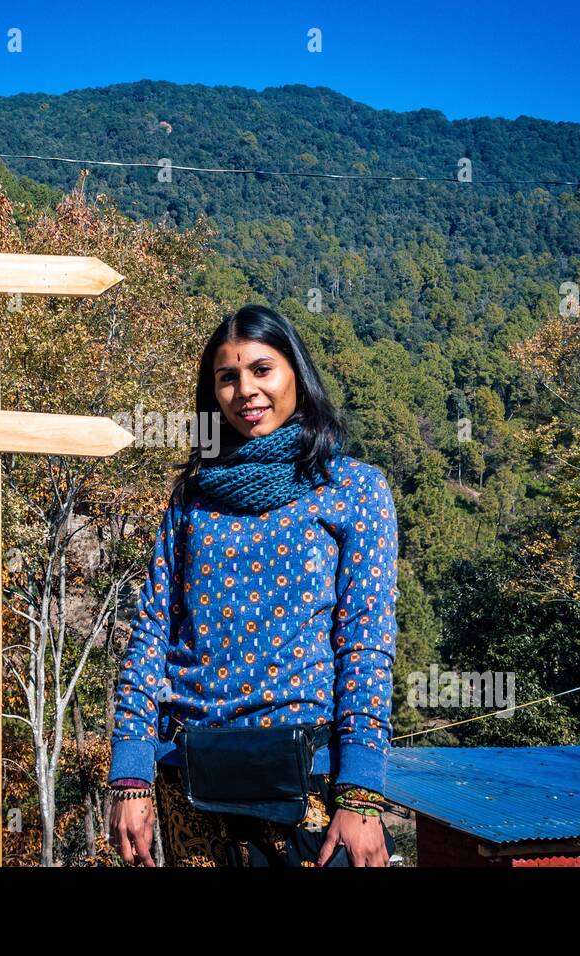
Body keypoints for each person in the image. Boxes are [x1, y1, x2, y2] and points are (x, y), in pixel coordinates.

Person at [107, 303, 399, 867]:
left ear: (297, 375)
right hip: (188, 776)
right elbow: (150, 633)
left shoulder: (353, 489)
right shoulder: (192, 498)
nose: (246, 391)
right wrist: (131, 775)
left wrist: (361, 793)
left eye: (262, 370)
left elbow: (366, 644)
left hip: (308, 774)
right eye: (227, 377)